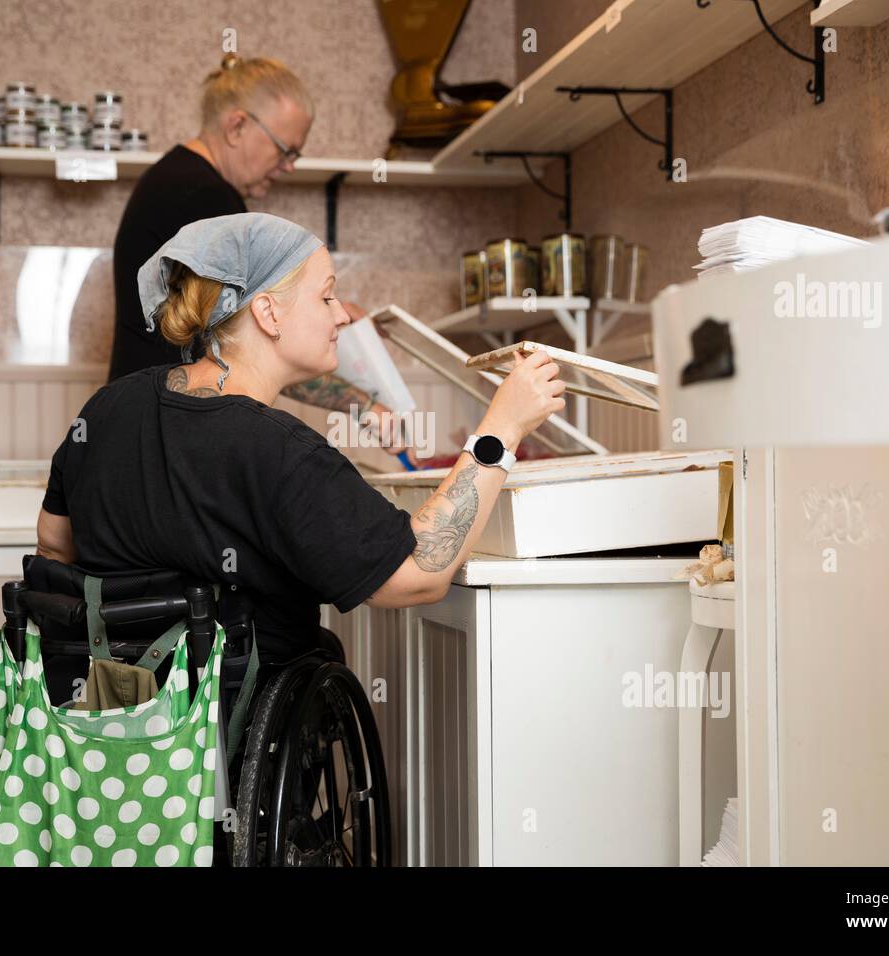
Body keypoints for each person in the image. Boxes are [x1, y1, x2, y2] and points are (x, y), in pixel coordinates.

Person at [39, 213, 564, 664]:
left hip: (109, 714)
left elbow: (55, 542)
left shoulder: (107, 408)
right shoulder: (279, 449)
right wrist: (502, 429)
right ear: (268, 313)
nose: (341, 314)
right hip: (234, 723)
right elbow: (417, 573)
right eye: (328, 294)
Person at [108, 53, 404, 449]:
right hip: (165, 434)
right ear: (237, 127)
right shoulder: (207, 197)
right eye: (286, 150)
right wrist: (364, 406)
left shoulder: (173, 180)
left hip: (139, 424)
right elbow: (254, 341)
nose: (289, 167)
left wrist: (329, 304)